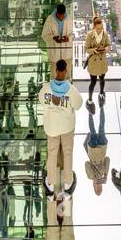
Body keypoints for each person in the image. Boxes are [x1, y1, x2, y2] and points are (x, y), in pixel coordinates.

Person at [40, 59, 82, 194]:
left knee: (52, 154)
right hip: (67, 126)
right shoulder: (71, 90)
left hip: (51, 126)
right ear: (66, 71)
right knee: (67, 153)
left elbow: (41, 100)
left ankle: (50, 182)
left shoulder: (46, 88)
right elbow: (79, 105)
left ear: (56, 70)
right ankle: (68, 182)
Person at [84, 15, 110, 110]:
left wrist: (106, 49)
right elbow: (86, 49)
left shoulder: (105, 34)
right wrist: (93, 50)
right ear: (94, 27)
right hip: (94, 62)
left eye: (101, 28)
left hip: (102, 60)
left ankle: (101, 93)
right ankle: (90, 100)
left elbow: (108, 45)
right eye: (98, 28)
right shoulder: (89, 35)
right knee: (93, 81)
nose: (100, 30)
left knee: (102, 79)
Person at [41, 3, 72, 73]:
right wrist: (53, 38)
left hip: (67, 54)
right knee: (54, 74)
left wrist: (68, 39)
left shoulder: (69, 19)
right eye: (59, 16)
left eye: (62, 16)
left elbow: (74, 35)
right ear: (56, 12)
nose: (61, 18)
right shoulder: (49, 20)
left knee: (67, 75)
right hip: (54, 55)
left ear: (65, 13)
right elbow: (44, 35)